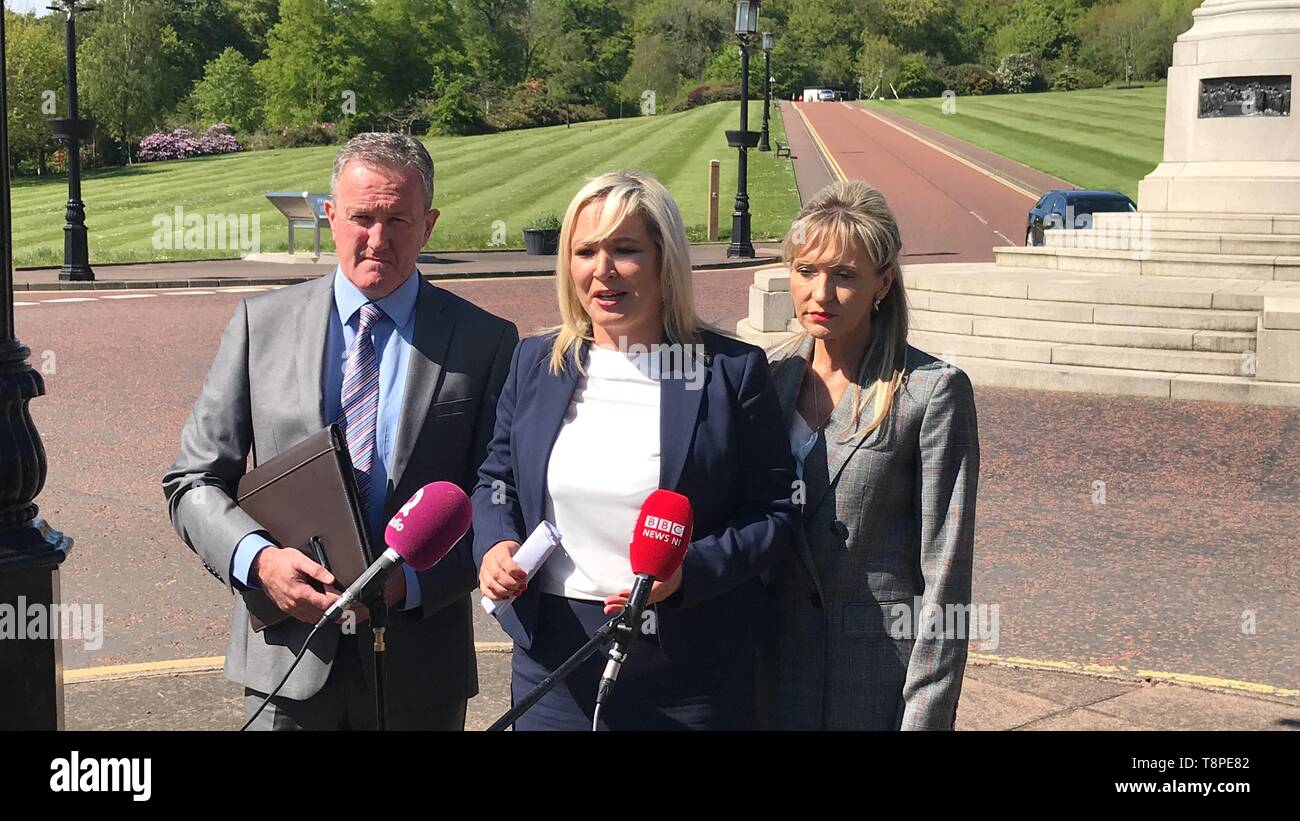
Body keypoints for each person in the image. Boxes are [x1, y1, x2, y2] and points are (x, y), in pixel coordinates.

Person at [163, 133, 518, 730]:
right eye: (361, 218)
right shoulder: (261, 326)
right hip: (286, 659)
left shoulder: (485, 341)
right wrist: (259, 562)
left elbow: (499, 493)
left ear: (428, 225)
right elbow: (193, 480)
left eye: (398, 220)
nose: (377, 239)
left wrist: (417, 580)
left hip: (419, 664)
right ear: (330, 217)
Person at [472, 170, 798, 730]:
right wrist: (495, 543)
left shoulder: (731, 372)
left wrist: (685, 575)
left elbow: (775, 513)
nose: (602, 270)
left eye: (625, 250)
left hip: (689, 667)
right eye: (585, 251)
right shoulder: (535, 363)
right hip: (555, 662)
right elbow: (494, 480)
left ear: (664, 262)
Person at [755, 180, 979, 730]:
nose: (821, 294)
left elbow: (945, 579)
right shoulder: (766, 380)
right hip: (768, 680)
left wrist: (925, 718)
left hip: (871, 684)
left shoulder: (930, 391)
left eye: (845, 276)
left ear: (883, 283)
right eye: (806, 271)